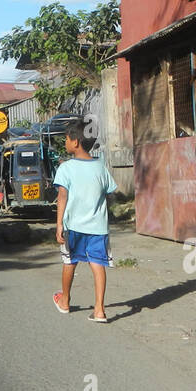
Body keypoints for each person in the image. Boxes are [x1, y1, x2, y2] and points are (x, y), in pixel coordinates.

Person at [51, 119, 118, 323]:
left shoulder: (66, 168)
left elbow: (62, 196)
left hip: (73, 227)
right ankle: (99, 310)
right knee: (98, 264)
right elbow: (110, 192)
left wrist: (59, 224)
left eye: (66, 139)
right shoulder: (100, 167)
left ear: (75, 142)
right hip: (98, 228)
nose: (65, 142)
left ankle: (65, 300)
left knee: (69, 262)